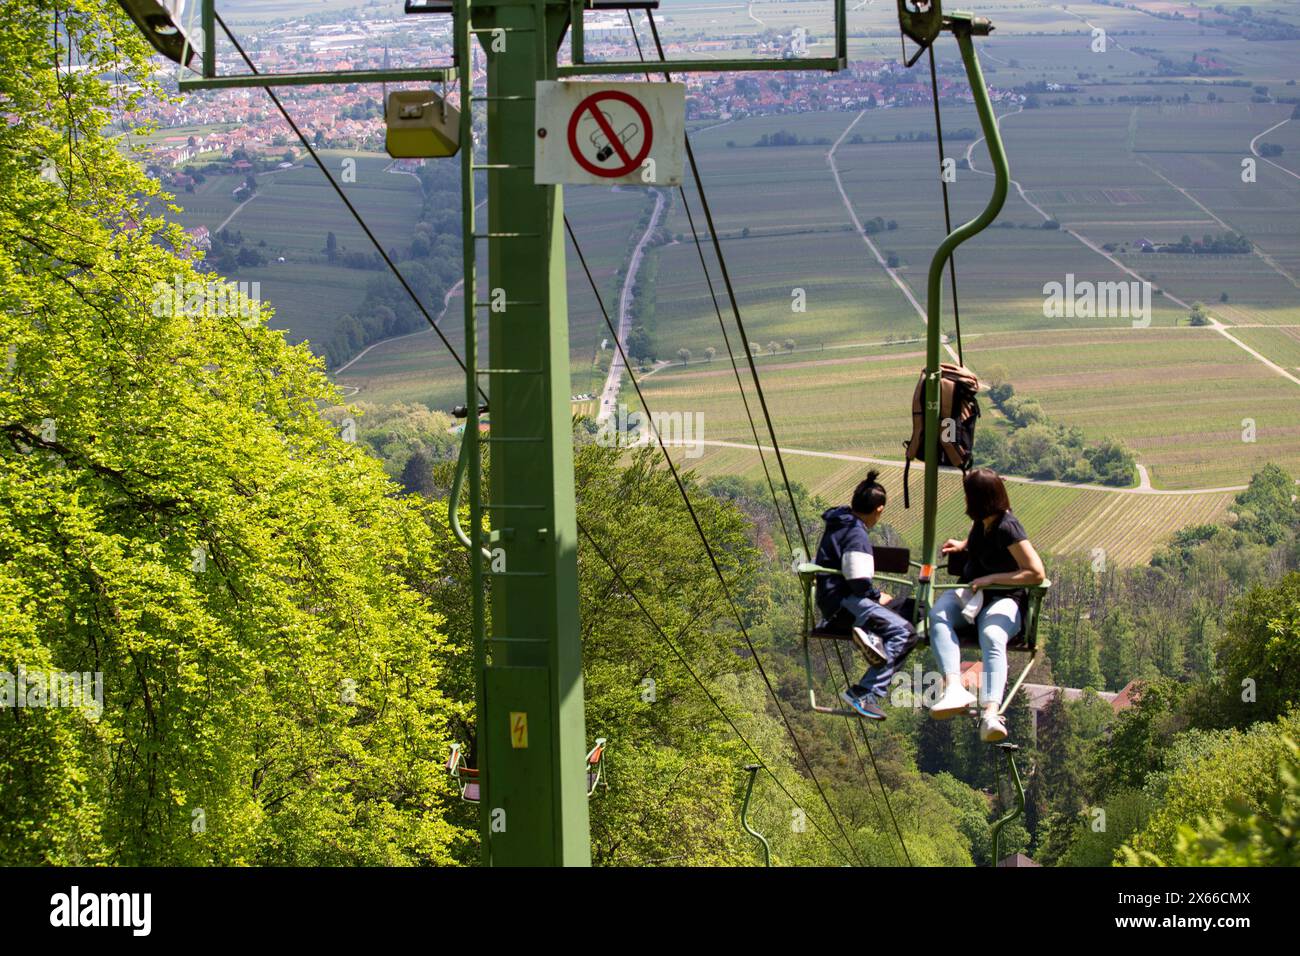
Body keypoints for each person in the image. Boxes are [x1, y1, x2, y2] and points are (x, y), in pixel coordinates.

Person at [927, 468, 1045, 742]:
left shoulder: (1007, 527)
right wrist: (964, 545)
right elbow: (981, 539)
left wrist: (992, 578)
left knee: (992, 636)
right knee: (938, 615)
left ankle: (991, 713)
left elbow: (1036, 572)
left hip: (1004, 598)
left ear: (978, 500)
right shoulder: (984, 522)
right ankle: (954, 687)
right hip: (974, 592)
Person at [814, 471, 919, 720]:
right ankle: (865, 692)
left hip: (832, 599)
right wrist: (875, 596)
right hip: (845, 604)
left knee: (912, 609)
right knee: (906, 633)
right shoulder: (856, 533)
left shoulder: (840, 523)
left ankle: (874, 637)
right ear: (879, 509)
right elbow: (857, 579)